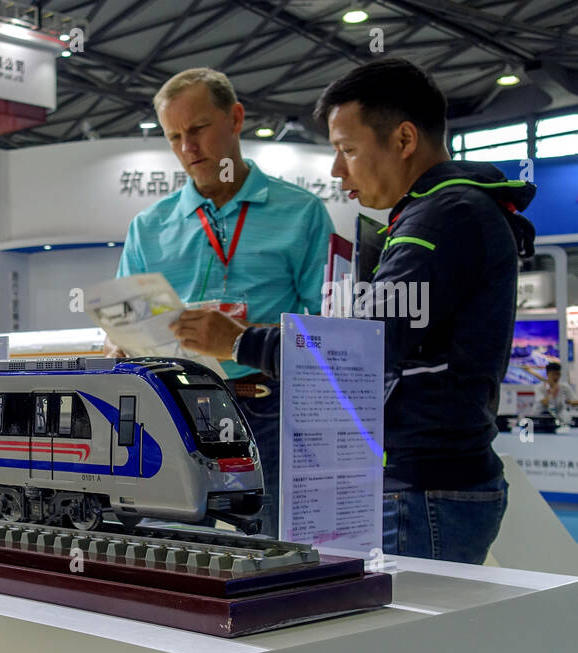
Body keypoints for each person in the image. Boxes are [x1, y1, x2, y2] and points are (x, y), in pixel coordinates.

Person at [171, 57, 536, 564]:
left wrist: (237, 342)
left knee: (398, 641)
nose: (338, 169)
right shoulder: (440, 213)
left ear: (404, 140)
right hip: (420, 480)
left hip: (422, 487)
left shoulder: (444, 219)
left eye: (347, 149)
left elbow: (361, 346)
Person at [114, 67, 333, 537]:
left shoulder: (301, 213)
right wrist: (122, 345)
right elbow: (125, 312)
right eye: (174, 137)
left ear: (236, 118)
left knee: (279, 545)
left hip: (269, 409)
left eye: (198, 129)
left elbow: (333, 332)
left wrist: (241, 342)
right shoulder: (148, 227)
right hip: (174, 408)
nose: (187, 149)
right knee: (169, 541)